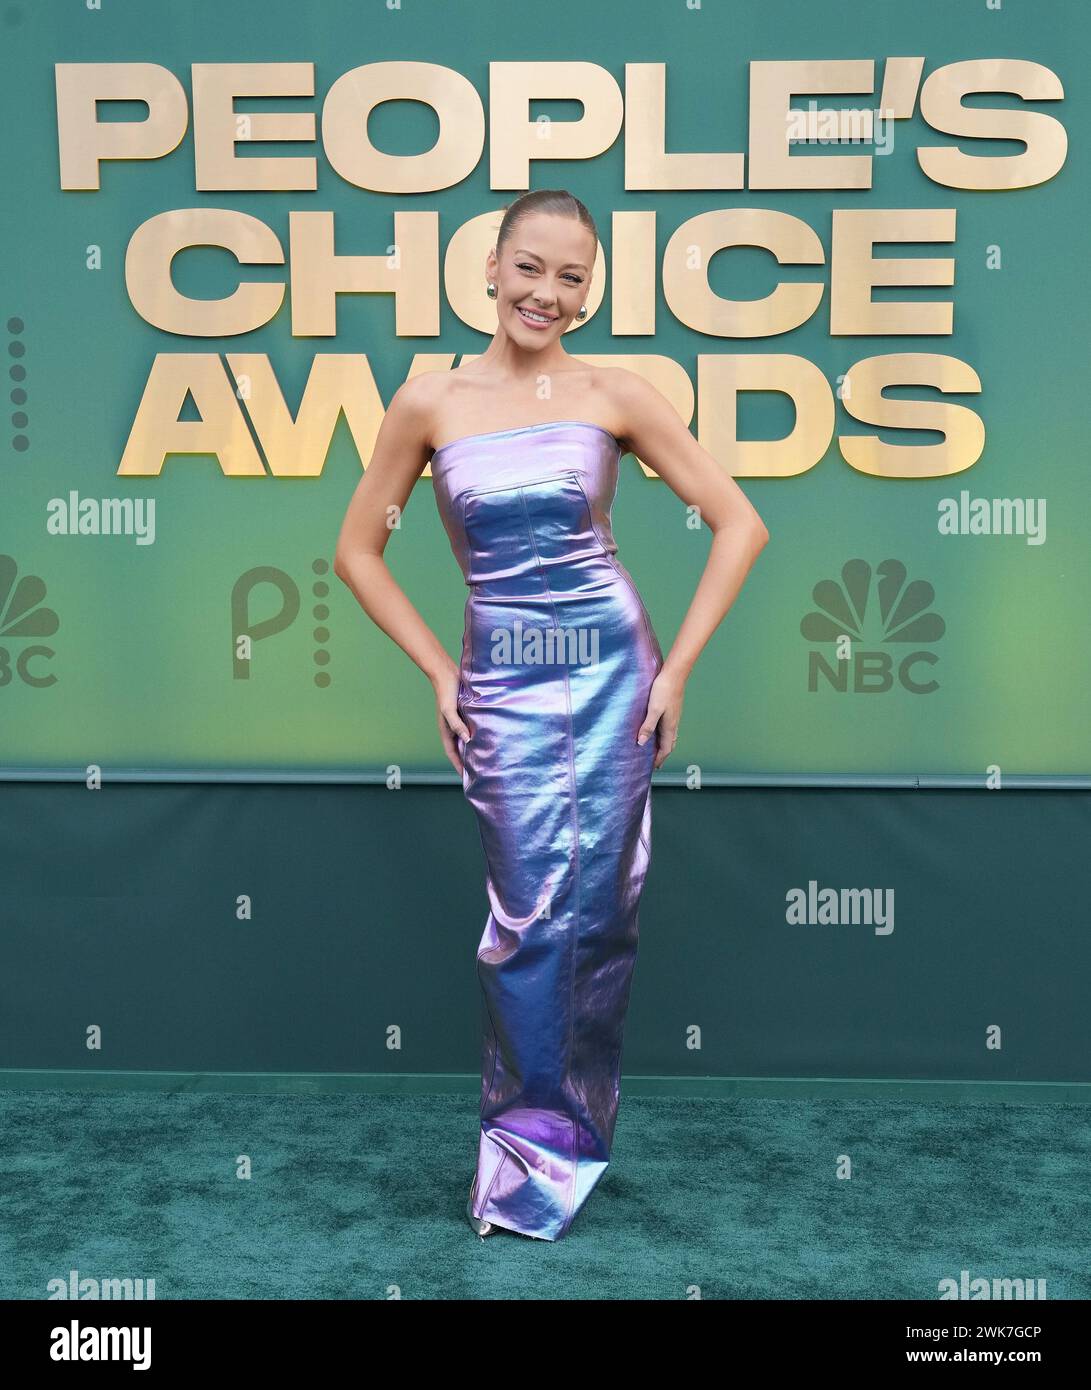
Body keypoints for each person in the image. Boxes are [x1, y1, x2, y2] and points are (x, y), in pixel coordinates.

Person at [334, 188, 769, 1242]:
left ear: (590, 288)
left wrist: (673, 675)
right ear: (489, 268)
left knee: (598, 914)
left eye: (572, 275)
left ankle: (552, 1158)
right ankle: (523, 1146)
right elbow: (357, 549)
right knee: (523, 918)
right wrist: (441, 670)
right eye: (530, 267)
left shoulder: (615, 392)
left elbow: (737, 521)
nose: (548, 292)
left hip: (610, 669)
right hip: (502, 680)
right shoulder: (426, 402)